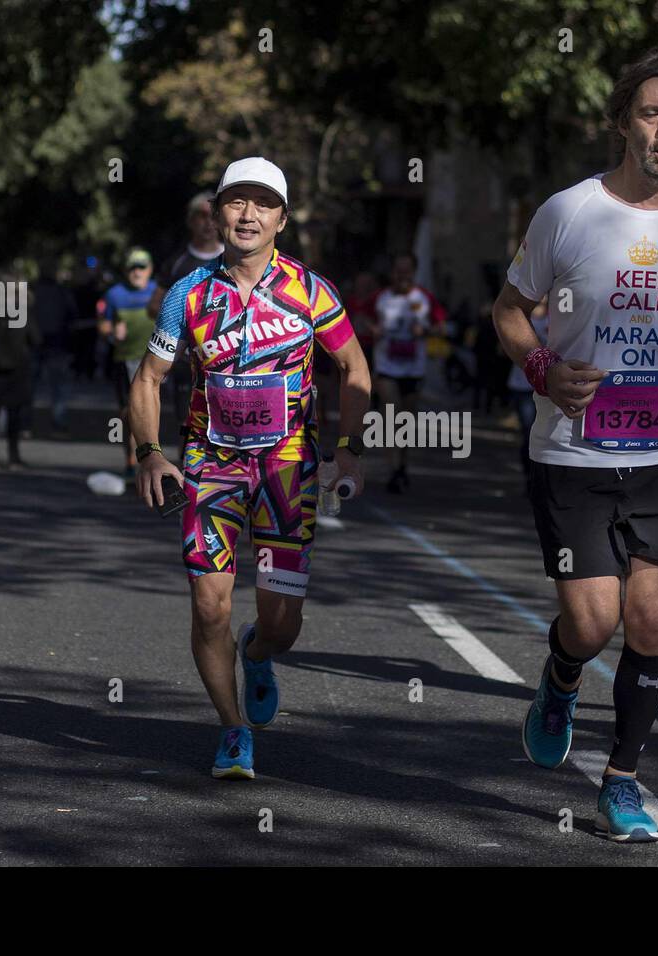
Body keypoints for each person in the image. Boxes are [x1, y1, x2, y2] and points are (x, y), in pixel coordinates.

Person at [492, 49, 658, 842]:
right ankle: (562, 677)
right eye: (650, 113)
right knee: (593, 620)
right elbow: (508, 310)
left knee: (652, 623)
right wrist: (542, 365)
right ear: (622, 124)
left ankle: (622, 780)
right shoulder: (567, 213)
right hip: (572, 452)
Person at [129, 156, 371, 780]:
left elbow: (355, 370)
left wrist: (349, 448)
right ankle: (233, 730)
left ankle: (259, 654)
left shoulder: (311, 291)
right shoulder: (188, 294)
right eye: (236, 201)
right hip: (210, 468)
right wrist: (150, 452)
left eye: (262, 204)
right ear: (216, 214)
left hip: (288, 471)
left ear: (281, 220)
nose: (247, 214)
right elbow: (149, 378)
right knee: (209, 606)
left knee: (280, 623)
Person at [148, 192, 226, 457]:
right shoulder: (177, 262)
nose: (206, 223)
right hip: (186, 362)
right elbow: (153, 306)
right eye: (200, 216)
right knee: (188, 420)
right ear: (190, 221)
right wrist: (188, 320)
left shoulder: (236, 259)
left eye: (211, 216)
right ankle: (188, 476)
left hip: (228, 359)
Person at [371, 252, 431, 492]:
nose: (402, 275)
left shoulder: (423, 298)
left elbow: (440, 325)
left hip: (414, 368)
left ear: (414, 272)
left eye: (407, 270)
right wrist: (372, 328)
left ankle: (402, 464)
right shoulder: (381, 297)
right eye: (398, 270)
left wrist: (424, 330)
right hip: (386, 366)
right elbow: (357, 316)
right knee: (391, 416)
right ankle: (394, 469)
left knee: (405, 421)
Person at [0, 259, 41, 469]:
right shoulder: (22, 309)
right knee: (14, 413)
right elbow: (36, 338)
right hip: (17, 367)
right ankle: (13, 455)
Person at [100, 249, 158, 476]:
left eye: (141, 267)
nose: (137, 272)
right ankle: (131, 461)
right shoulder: (114, 294)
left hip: (156, 362)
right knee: (128, 413)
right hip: (125, 362)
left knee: (153, 412)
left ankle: (153, 460)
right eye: (133, 267)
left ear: (150, 270)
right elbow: (103, 325)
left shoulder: (158, 292)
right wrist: (112, 333)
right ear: (126, 270)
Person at [505, 294, 549, 487]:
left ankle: (542, 477)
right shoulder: (521, 319)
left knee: (546, 434)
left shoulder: (558, 318)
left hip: (549, 387)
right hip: (523, 385)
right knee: (529, 432)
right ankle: (530, 477)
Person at [31, 259, 78, 434]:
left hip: (36, 343)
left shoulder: (33, 292)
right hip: (57, 343)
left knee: (32, 385)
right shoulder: (62, 292)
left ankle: (25, 421)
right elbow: (72, 315)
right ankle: (58, 418)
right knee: (58, 385)